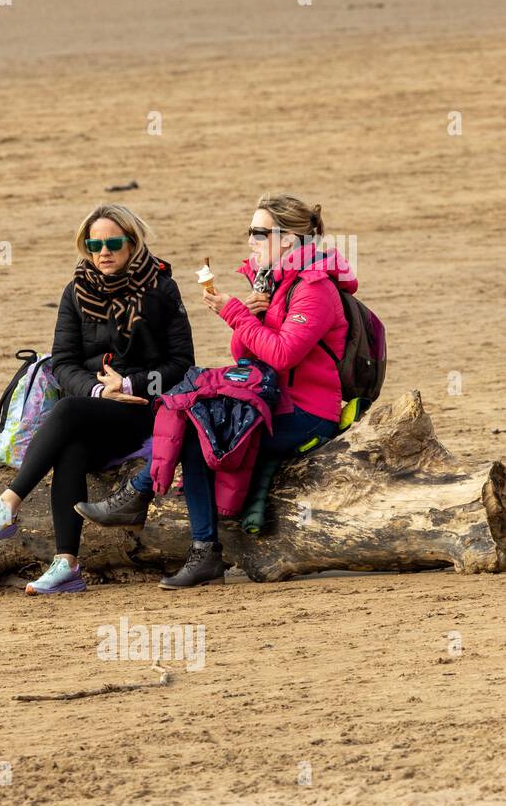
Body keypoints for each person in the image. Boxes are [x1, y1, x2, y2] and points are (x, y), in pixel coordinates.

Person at [77, 193, 353, 588]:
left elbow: (282, 354)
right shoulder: (277, 282)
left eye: (259, 233)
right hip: (270, 402)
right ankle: (201, 550)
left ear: (289, 240)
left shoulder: (314, 289)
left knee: (199, 430)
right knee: (196, 425)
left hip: (308, 415)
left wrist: (237, 313)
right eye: (250, 231)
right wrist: (250, 316)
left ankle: (142, 496)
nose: (250, 240)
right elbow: (247, 357)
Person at [0, 204, 194, 594]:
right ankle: (66, 563)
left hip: (147, 409)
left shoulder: (162, 289)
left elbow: (182, 364)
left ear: (132, 243)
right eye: (95, 244)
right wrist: (101, 390)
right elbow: (64, 362)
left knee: (68, 411)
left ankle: (8, 504)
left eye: (113, 243)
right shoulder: (76, 291)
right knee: (71, 446)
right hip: (95, 406)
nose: (104, 252)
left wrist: (131, 386)